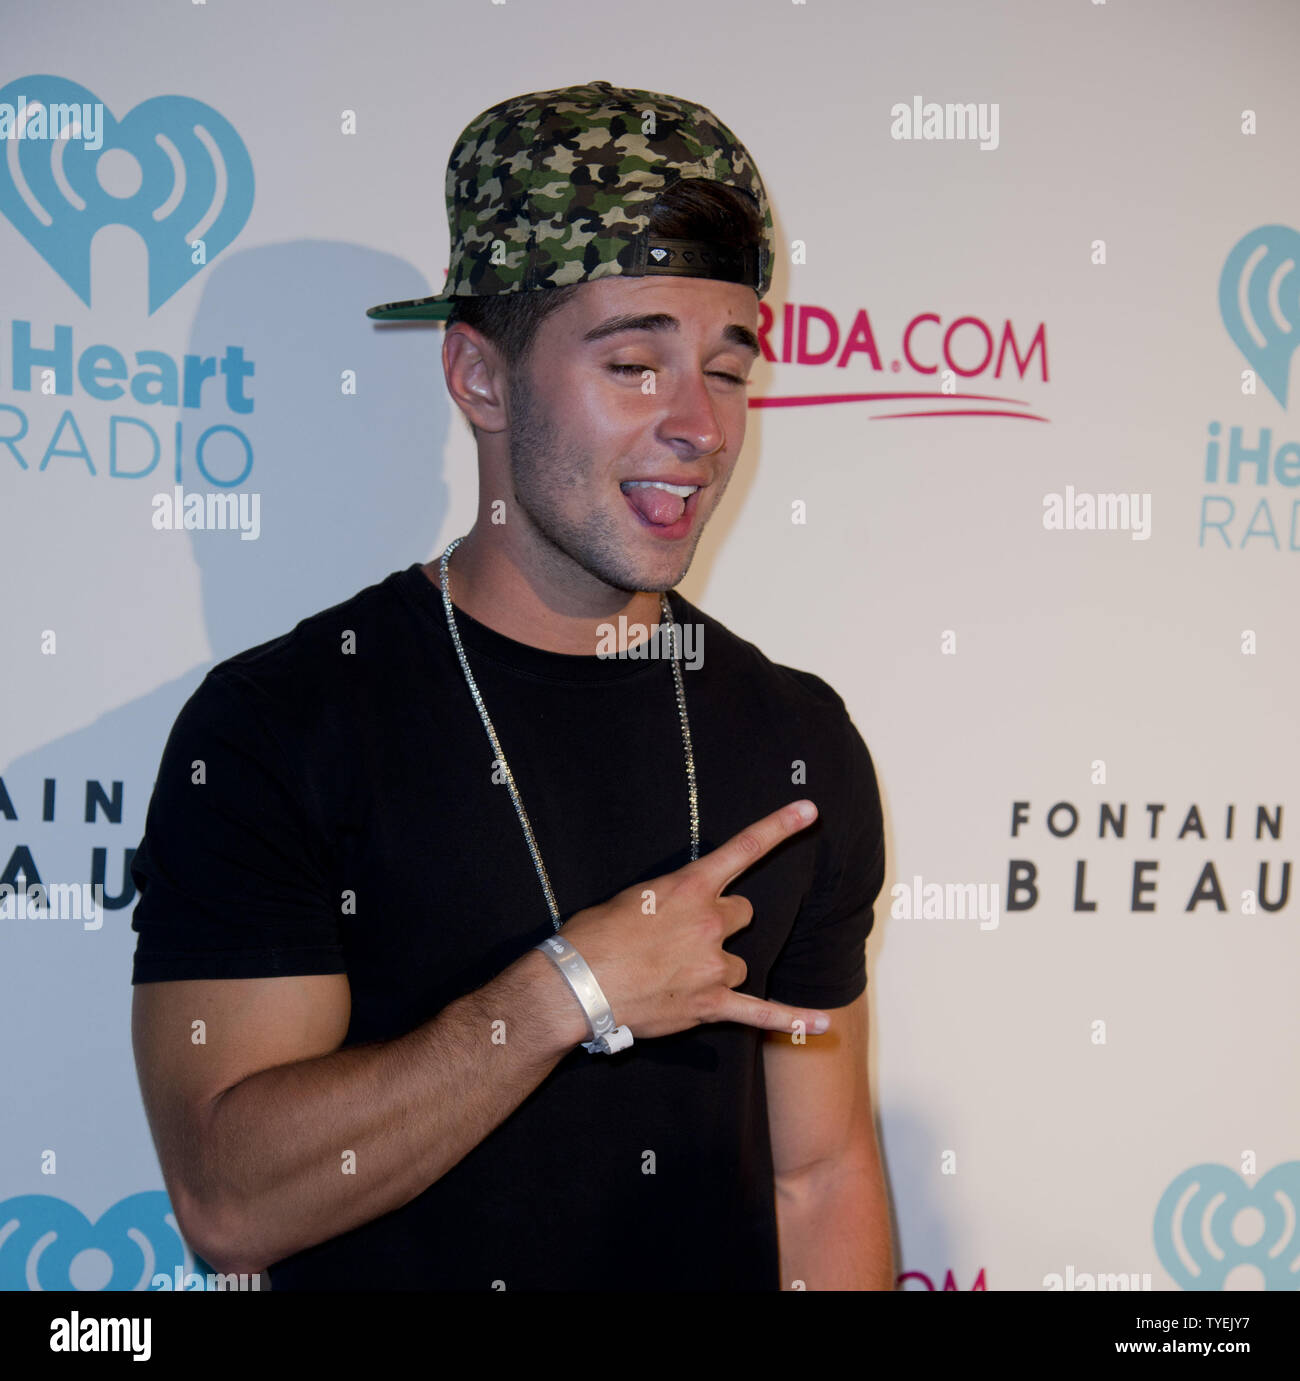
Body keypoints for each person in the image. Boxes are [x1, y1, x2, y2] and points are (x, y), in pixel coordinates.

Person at [129, 79, 893, 1291]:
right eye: (635, 363)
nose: (700, 422)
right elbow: (229, 1200)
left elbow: (820, 1174)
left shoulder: (796, 742)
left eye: (728, 366)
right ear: (480, 380)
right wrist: (566, 992)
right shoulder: (283, 725)